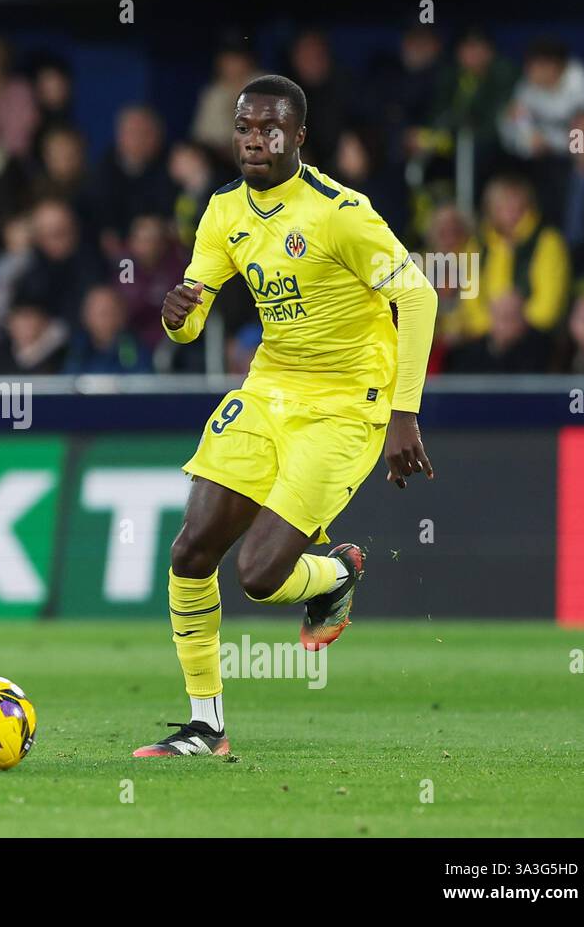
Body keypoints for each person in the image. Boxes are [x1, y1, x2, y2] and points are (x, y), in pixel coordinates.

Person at [134, 75, 438, 758]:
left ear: (299, 136)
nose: (254, 140)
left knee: (260, 575)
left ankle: (336, 575)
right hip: (269, 389)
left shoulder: (339, 212)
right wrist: (175, 319)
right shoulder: (222, 213)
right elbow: (191, 319)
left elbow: (418, 299)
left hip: (345, 405)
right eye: (244, 128)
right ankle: (205, 727)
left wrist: (403, 414)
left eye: (270, 129)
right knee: (190, 551)